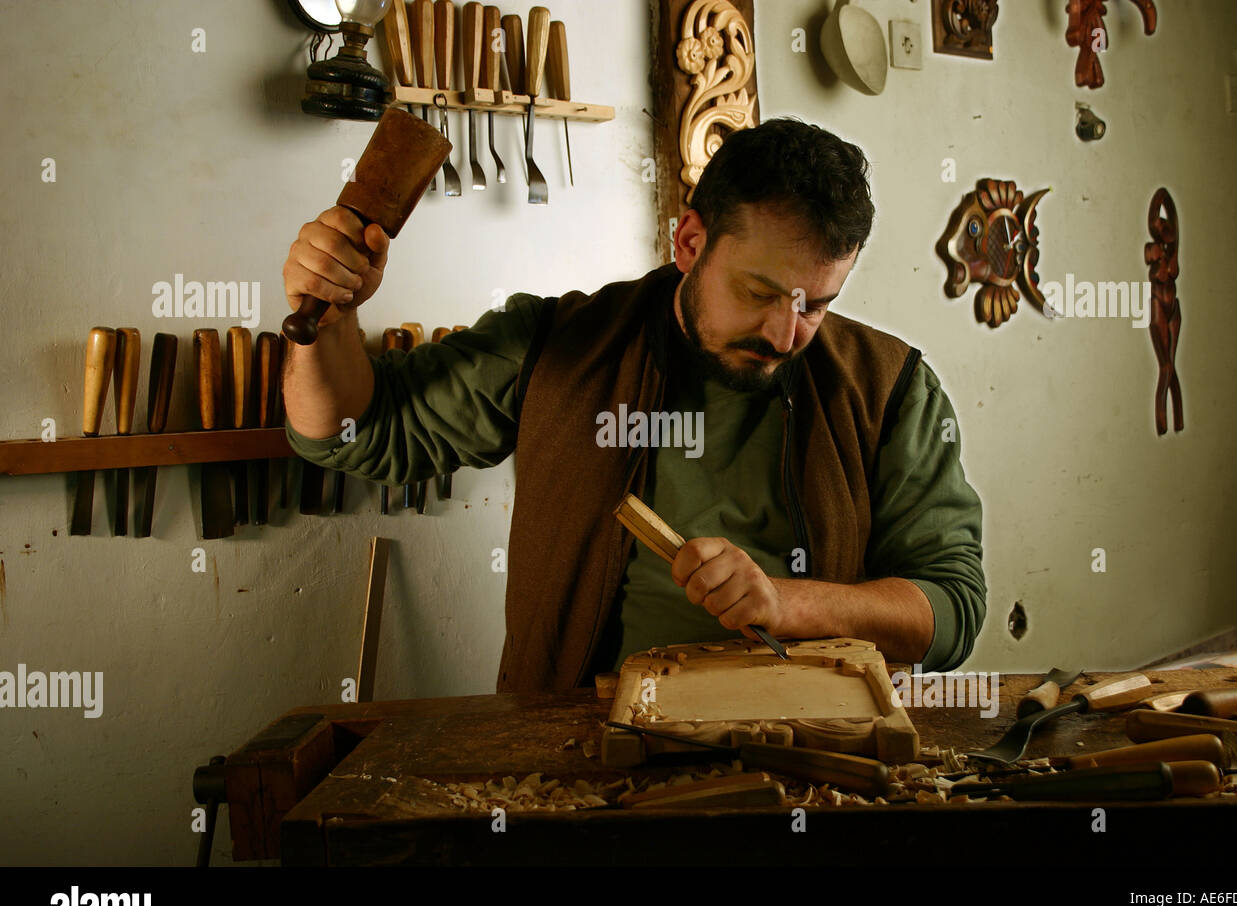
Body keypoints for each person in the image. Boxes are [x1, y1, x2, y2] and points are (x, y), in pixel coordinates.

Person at [281, 117, 986, 693]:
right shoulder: (559, 346)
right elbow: (350, 433)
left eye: (816, 305)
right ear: (690, 242)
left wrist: (787, 602)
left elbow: (952, 608)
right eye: (759, 293)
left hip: (812, 758)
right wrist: (333, 319)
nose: (783, 333)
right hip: (583, 760)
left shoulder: (888, 385)